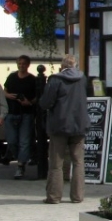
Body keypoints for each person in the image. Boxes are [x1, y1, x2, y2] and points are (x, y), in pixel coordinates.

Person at [39, 55, 90, 204]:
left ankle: (54, 197)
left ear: (62, 66)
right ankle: (77, 196)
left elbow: (45, 102)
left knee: (56, 163)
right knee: (78, 162)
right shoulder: (82, 78)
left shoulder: (55, 80)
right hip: (79, 125)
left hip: (59, 125)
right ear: (75, 65)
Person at [2, 55, 38, 178]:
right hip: (11, 112)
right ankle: (19, 157)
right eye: (19, 63)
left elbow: (38, 96)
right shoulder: (12, 77)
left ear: (28, 65)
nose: (21, 66)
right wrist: (8, 95)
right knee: (11, 141)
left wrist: (29, 102)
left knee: (25, 141)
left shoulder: (32, 79)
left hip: (26, 113)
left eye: (24, 64)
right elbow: (4, 91)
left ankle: (20, 166)